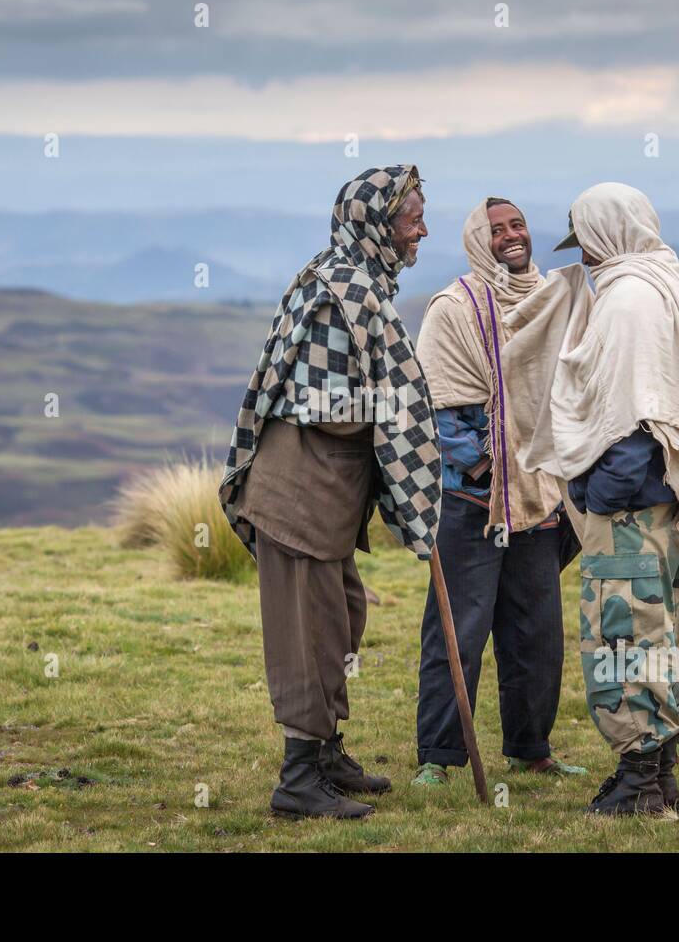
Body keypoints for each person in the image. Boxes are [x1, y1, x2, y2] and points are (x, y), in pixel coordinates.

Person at [219, 165, 442, 820]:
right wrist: (395, 404)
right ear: (376, 222)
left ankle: (326, 753)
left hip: (329, 497)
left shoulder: (363, 284)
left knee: (342, 617)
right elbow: (312, 399)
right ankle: (297, 780)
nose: (422, 229)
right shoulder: (335, 291)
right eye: (411, 218)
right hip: (299, 493)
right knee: (307, 633)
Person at [535, 181, 679, 815]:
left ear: (607, 232)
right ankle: (657, 773)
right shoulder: (665, 285)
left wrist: (595, 492)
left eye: (585, 242)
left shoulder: (628, 300)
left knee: (621, 637)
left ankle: (641, 781)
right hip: (660, 504)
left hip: (629, 508)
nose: (583, 257)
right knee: (656, 634)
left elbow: (631, 413)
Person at [410, 197, 588, 788]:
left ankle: (530, 747)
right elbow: (434, 410)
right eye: (496, 229)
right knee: (458, 632)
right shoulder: (453, 309)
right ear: (475, 240)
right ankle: (438, 758)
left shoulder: (553, 301)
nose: (511, 235)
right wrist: (488, 466)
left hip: (541, 499)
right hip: (472, 503)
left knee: (536, 632)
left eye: (517, 225)